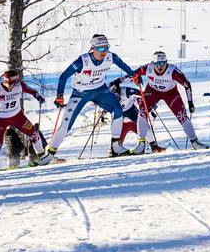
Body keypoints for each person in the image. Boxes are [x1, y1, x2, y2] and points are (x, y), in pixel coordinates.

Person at [37, 34, 143, 163]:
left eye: (106, 48)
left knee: (117, 109)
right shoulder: (83, 61)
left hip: (100, 90)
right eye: (100, 49)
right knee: (66, 125)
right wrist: (60, 96)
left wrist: (134, 75)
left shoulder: (111, 57)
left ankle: (116, 146)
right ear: (92, 48)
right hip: (80, 93)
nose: (103, 52)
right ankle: (50, 154)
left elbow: (124, 66)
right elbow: (64, 76)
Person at [136, 51, 209, 149]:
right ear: (153, 63)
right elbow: (132, 74)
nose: (160, 67)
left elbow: (187, 84)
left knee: (182, 116)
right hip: (152, 91)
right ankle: (141, 143)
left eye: (162, 63)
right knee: (142, 112)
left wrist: (190, 102)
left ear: (166, 62)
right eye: (157, 64)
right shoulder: (148, 68)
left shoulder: (173, 71)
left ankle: (194, 142)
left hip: (170, 93)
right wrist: (133, 78)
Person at [0, 69, 48, 170]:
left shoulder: (20, 86)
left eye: (15, 83)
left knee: (34, 134)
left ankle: (42, 157)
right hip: (1, 119)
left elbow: (33, 91)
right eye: (11, 84)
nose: (13, 86)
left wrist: (38, 97)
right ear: (4, 81)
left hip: (17, 117)